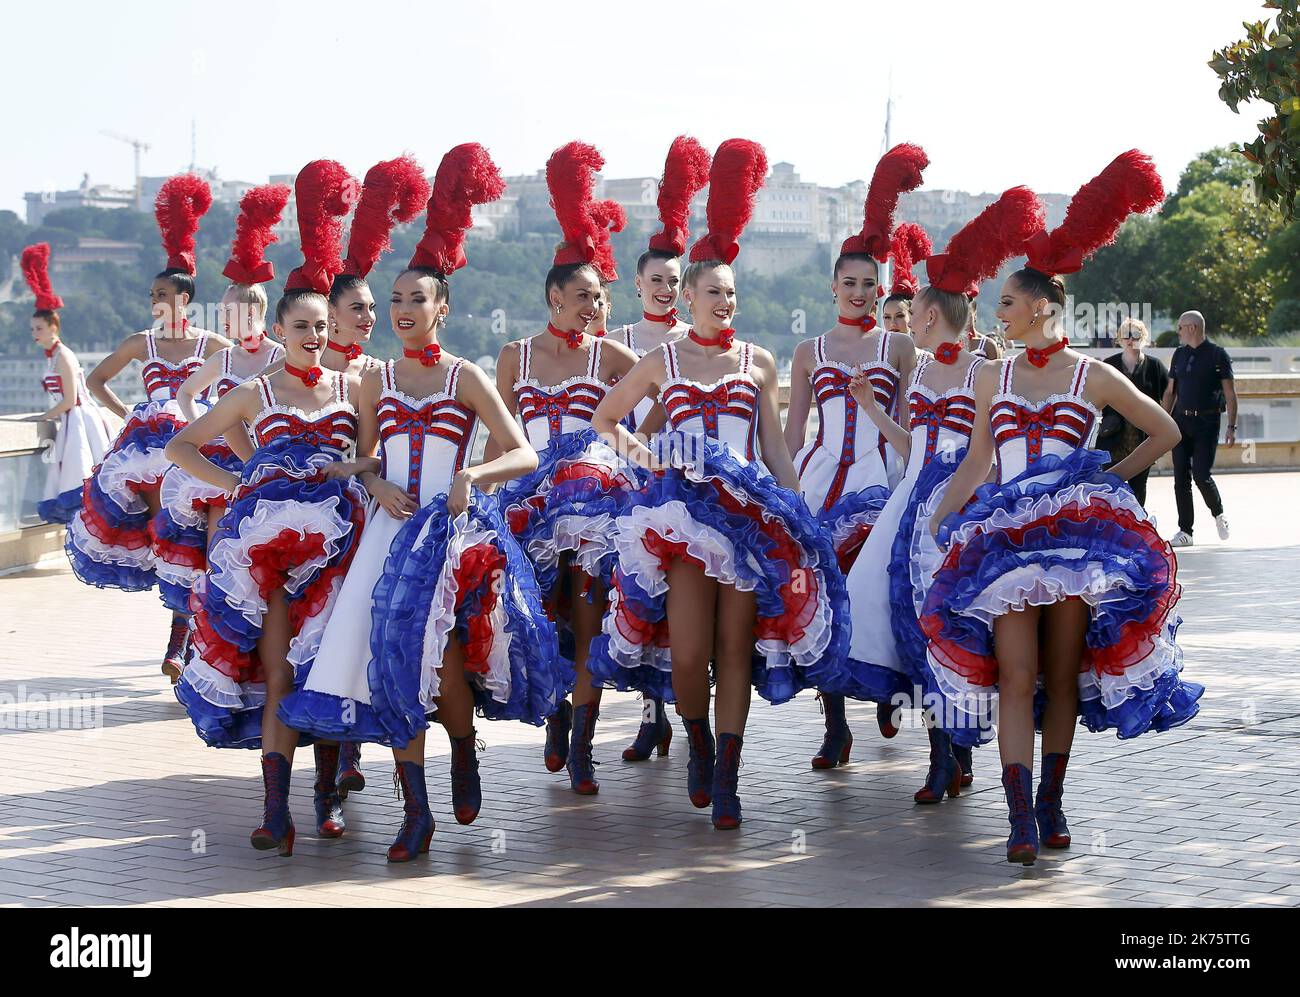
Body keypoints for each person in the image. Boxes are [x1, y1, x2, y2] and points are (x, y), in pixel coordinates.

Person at [278, 144, 565, 862]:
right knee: (389, 662)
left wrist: (476, 476)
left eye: (417, 299)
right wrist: (372, 482)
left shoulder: (465, 375)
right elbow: (370, 454)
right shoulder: (374, 380)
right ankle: (418, 811)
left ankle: (462, 748)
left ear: (444, 306)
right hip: (386, 531)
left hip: (451, 531)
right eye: (396, 300)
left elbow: (523, 450)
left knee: (442, 670)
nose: (403, 310)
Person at [922, 151, 1202, 865]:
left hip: (1076, 545)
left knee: (1062, 670)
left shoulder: (1093, 374)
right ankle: (1018, 815)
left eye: (1008, 304)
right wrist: (939, 515)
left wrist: (1108, 479)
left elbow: (1166, 431)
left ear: (1041, 305)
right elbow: (980, 460)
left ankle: (1050, 799)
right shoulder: (993, 374)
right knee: (1016, 674)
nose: (999, 314)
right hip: (1007, 541)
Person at [589, 138, 852, 829]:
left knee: (736, 647)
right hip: (680, 514)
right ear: (692, 297)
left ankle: (729, 778)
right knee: (688, 654)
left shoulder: (758, 360)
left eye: (732, 292)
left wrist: (799, 509)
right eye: (713, 292)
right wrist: (647, 459)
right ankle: (697, 739)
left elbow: (774, 445)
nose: (724, 301)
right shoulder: (665, 358)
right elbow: (608, 417)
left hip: (746, 515)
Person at [168, 160, 370, 856]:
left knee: (330, 666)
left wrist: (351, 475)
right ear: (280, 327)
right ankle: (276, 808)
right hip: (272, 552)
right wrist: (240, 490)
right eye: (303, 324)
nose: (315, 334)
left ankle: (327, 798)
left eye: (324, 323)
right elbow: (182, 445)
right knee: (282, 668)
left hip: (342, 544)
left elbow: (372, 461)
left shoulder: (354, 388)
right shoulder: (257, 391)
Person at [840, 187, 1043, 800]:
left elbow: (987, 451)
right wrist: (874, 411)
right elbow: (913, 445)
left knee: (956, 625)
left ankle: (959, 751)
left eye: (915, 311)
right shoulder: (921, 370)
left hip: (961, 502)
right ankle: (940, 754)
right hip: (911, 499)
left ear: (929, 315)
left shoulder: (986, 370)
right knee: (910, 621)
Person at [490, 141, 641, 796]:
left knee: (587, 617)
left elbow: (654, 407)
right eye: (581, 294)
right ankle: (554, 713)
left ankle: (581, 742)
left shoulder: (609, 355)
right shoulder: (512, 356)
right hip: (528, 497)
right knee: (537, 616)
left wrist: (651, 464)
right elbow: (496, 431)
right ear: (553, 295)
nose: (591, 304)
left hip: (591, 503)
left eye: (599, 295)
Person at [784, 143, 926, 768]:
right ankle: (835, 724)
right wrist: (779, 492)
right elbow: (790, 430)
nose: (861, 292)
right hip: (820, 479)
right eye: (850, 283)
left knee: (884, 590)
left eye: (871, 284)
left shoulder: (898, 346)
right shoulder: (809, 350)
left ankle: (891, 696)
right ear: (832, 284)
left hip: (884, 476)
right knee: (826, 596)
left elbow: (911, 421)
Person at [65, 174, 228, 682]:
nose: (154, 299)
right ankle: (183, 640)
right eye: (152, 292)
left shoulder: (214, 345)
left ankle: (190, 642)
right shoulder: (143, 343)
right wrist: (128, 415)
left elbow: (242, 387)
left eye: (163, 293)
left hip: (200, 446)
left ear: (184, 299)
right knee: (173, 543)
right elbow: (95, 380)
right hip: (150, 453)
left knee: (199, 544)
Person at [610, 135, 711, 763]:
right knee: (644, 602)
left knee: (691, 608)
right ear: (639, 283)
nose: (666, 289)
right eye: (656, 281)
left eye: (676, 281)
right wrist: (641, 455)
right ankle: (651, 716)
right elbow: (613, 416)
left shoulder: (698, 340)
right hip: (637, 481)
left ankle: (693, 713)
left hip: (696, 482)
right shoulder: (623, 339)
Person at [152, 184, 290, 615]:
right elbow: (186, 392)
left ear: (259, 315)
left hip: (271, 461)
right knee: (215, 549)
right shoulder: (225, 357)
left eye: (237, 315)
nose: (228, 321)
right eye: (224, 314)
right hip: (226, 466)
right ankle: (198, 626)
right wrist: (200, 428)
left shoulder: (280, 356)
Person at [22, 243, 112, 525]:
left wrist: (42, 416)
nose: (34, 334)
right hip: (70, 422)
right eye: (32, 330)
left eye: (38, 328)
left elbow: (69, 399)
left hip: (78, 421)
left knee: (78, 478)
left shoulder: (63, 356)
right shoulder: (54, 356)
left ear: (53, 327)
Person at [1162, 310, 1235, 546]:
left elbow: (1230, 394)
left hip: (1208, 422)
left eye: (1180, 328)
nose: (1179, 332)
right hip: (1181, 422)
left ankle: (1218, 513)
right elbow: (1171, 391)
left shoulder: (1217, 355)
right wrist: (1162, 422)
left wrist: (1231, 427)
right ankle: (1186, 531)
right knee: (1180, 477)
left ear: (1191, 328)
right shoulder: (1179, 354)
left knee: (1202, 475)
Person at [1097, 317, 1168, 507]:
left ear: (1143, 337)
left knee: (1138, 491)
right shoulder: (1109, 365)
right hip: (1113, 438)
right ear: (1119, 338)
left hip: (1143, 439)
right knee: (1110, 489)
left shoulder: (1154, 366)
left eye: (1136, 334)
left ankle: (1137, 530)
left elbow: (1169, 396)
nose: (1131, 339)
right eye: (1126, 335)